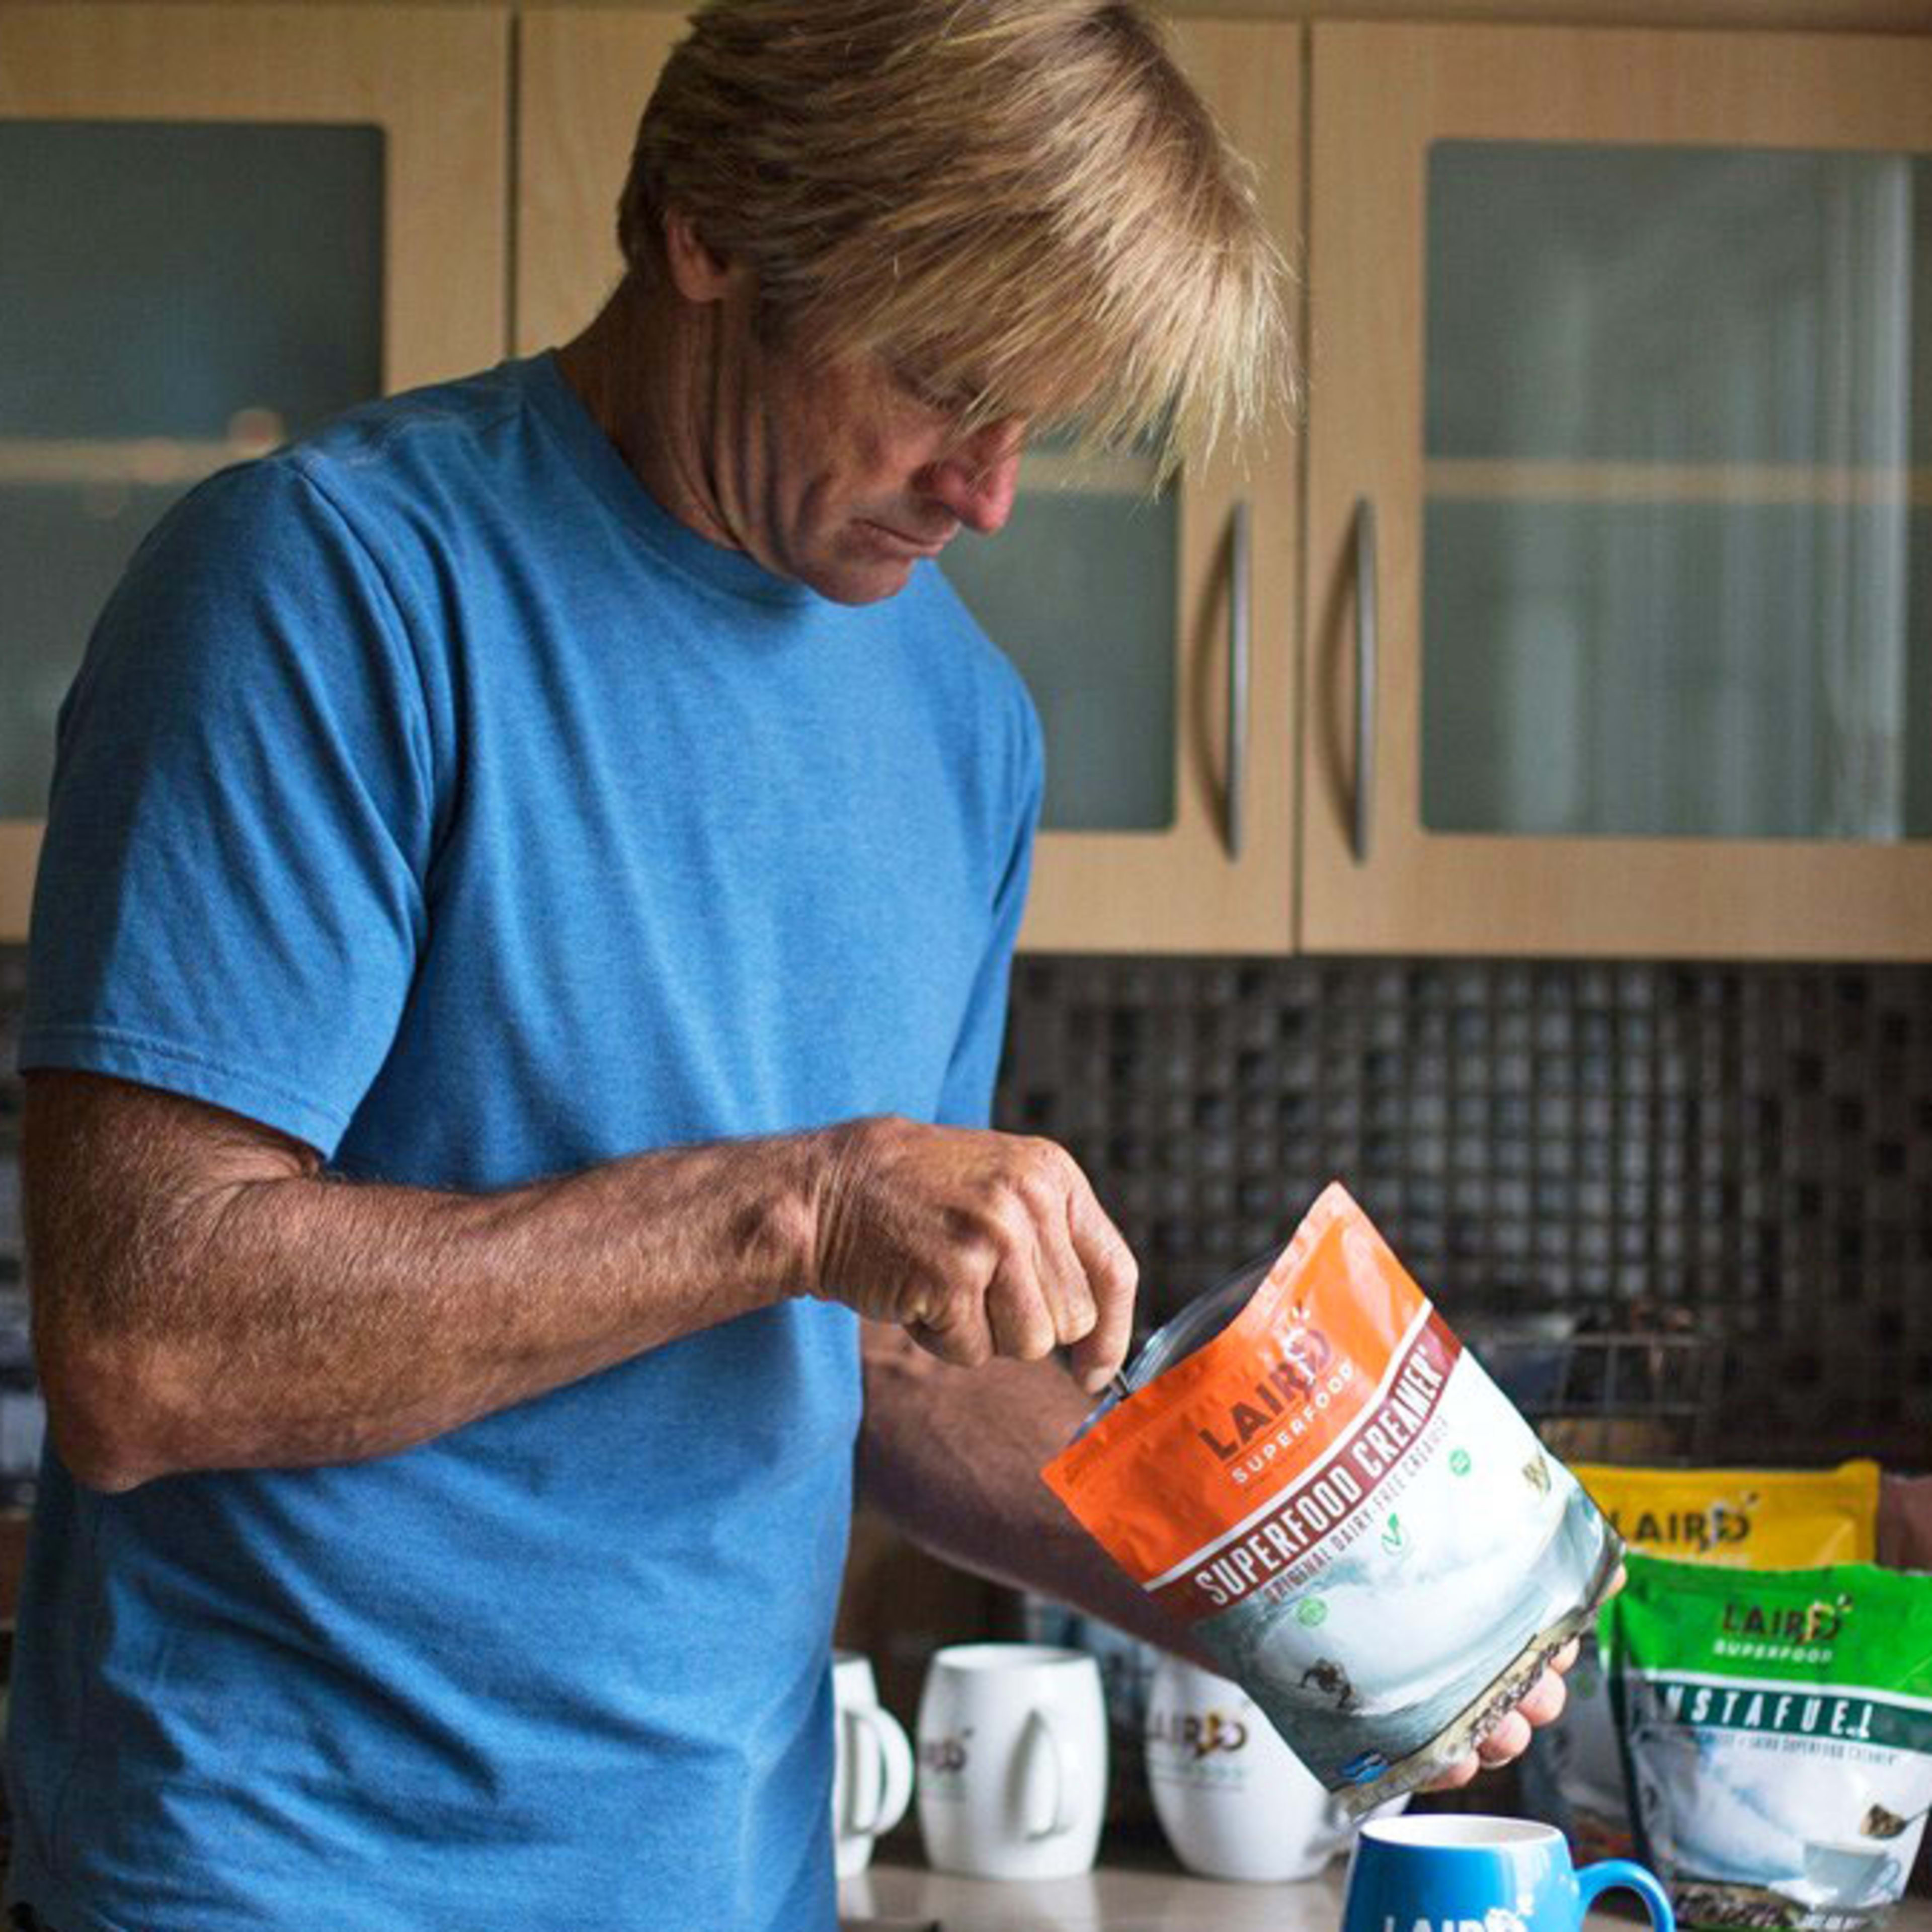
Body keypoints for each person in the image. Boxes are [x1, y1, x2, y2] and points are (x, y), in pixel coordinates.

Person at [6, 3, 1573, 1927]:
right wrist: (799, 1204)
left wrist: (1318, 1599)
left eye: (1040, 418)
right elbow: (144, 1345)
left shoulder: (965, 725)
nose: (987, 491)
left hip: (729, 1884)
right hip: (287, 1881)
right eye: (939, 376)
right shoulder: (325, 589)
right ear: (713, 225)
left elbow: (890, 1374)